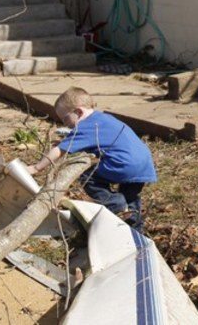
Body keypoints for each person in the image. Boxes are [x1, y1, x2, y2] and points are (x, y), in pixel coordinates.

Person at [27, 86, 158, 232]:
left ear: (78, 112)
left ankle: (114, 204)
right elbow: (100, 142)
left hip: (123, 164)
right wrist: (66, 143)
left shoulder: (85, 126)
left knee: (87, 175)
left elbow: (58, 151)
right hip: (144, 164)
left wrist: (36, 168)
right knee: (130, 195)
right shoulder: (104, 118)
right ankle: (135, 229)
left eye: (65, 119)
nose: (65, 124)